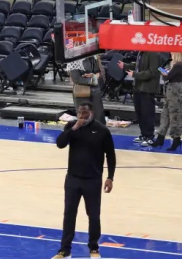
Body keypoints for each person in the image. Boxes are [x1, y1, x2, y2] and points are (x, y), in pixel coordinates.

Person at [53, 102, 116, 259]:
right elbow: (60, 144)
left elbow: (111, 155)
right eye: (80, 114)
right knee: (69, 214)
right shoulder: (72, 126)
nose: (82, 117)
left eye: (85, 114)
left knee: (93, 215)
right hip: (73, 178)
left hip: (93, 180)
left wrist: (110, 177)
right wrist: (73, 129)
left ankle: (94, 248)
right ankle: (64, 250)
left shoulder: (102, 130)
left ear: (92, 113)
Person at [146, 52, 182, 150]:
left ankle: (176, 139)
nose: (171, 54)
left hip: (174, 91)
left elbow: (166, 77)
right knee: (165, 114)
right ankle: (160, 138)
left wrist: (161, 69)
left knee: (174, 116)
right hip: (170, 90)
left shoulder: (179, 65)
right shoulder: (177, 65)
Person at [119, 52, 161, 144]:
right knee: (140, 113)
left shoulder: (154, 54)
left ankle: (149, 136)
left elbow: (152, 72)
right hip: (137, 87)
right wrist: (126, 65)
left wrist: (135, 75)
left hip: (148, 88)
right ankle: (143, 135)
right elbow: (138, 65)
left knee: (147, 114)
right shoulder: (141, 53)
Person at [67, 55, 105, 124]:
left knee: (99, 116)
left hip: (95, 90)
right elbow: (76, 78)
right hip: (82, 91)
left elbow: (98, 72)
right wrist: (92, 79)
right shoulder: (74, 59)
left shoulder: (94, 56)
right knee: (84, 118)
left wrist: (95, 76)